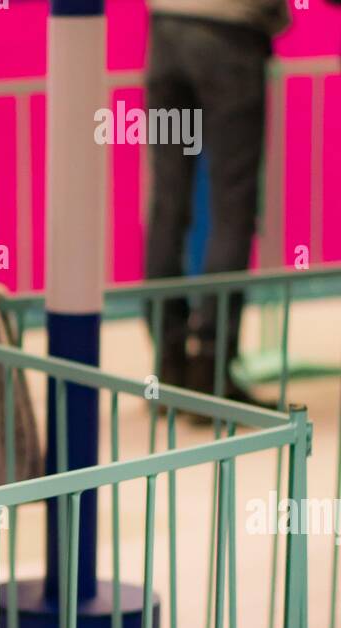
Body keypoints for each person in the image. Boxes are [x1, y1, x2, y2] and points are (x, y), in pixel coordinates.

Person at [144, 1, 290, 399]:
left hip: (166, 32)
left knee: (168, 205)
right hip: (231, 38)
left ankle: (168, 362)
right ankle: (211, 364)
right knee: (233, 208)